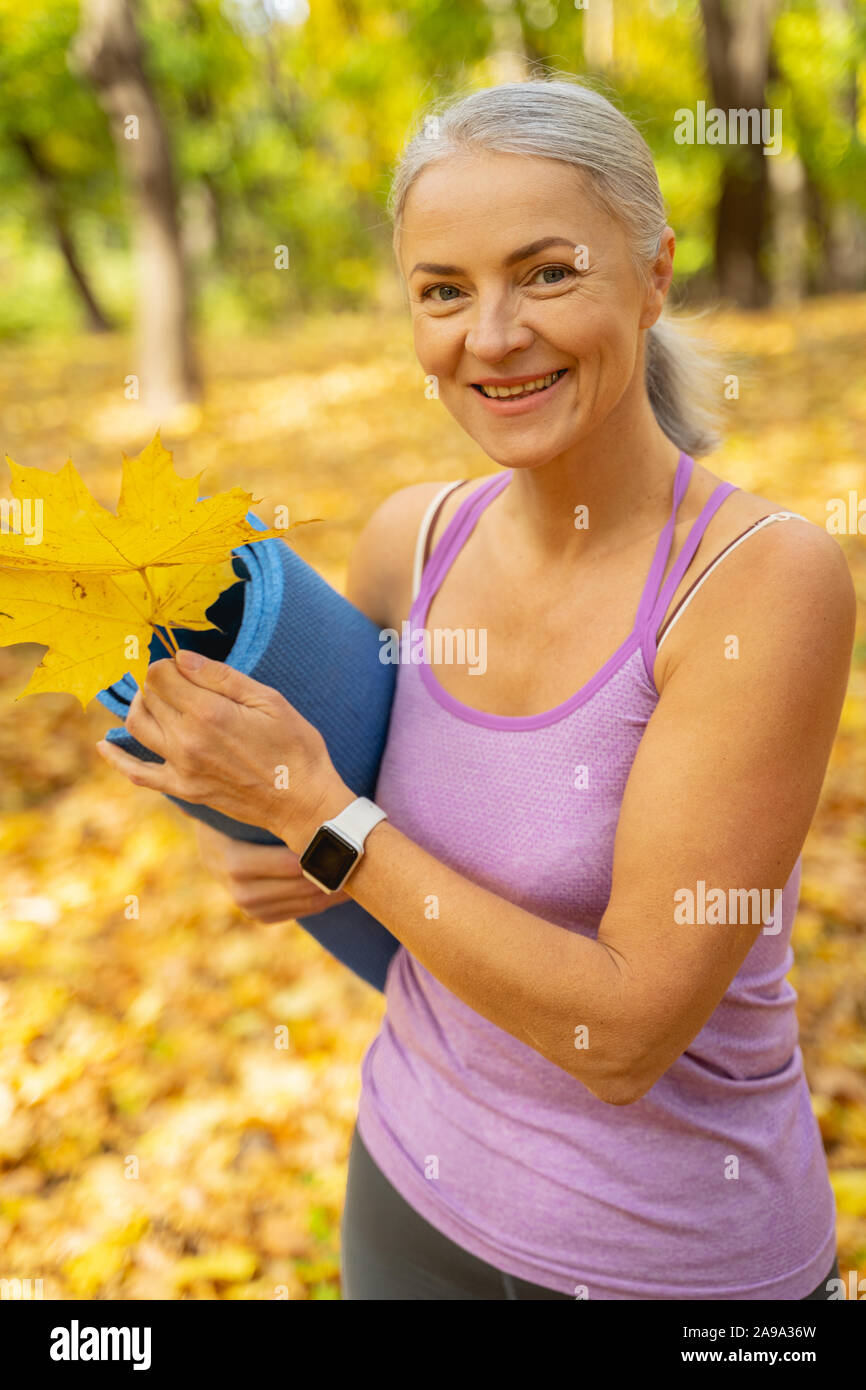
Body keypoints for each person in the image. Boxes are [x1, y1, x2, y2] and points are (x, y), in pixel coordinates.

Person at [99, 76, 855, 1300]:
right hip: (405, 1191)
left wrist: (322, 821)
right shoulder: (411, 541)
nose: (490, 336)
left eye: (547, 272)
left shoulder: (759, 585)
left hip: (671, 1263)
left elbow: (621, 1036)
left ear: (653, 275)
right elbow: (375, 880)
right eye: (442, 291)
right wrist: (272, 833)